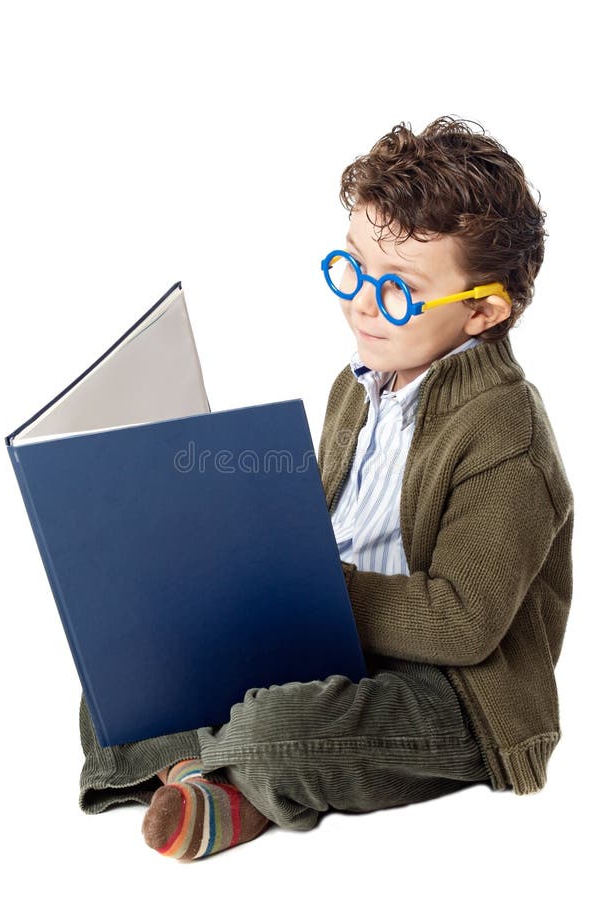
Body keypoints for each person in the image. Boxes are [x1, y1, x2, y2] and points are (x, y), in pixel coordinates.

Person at [78, 115, 574, 862]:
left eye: (399, 289)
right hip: (338, 638)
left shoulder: (506, 432)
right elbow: (324, 524)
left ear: (482, 311)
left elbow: (462, 625)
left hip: (453, 695)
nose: (363, 304)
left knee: (279, 729)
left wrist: (310, 589)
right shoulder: (360, 383)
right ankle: (206, 775)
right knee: (122, 658)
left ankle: (219, 765)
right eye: (353, 270)